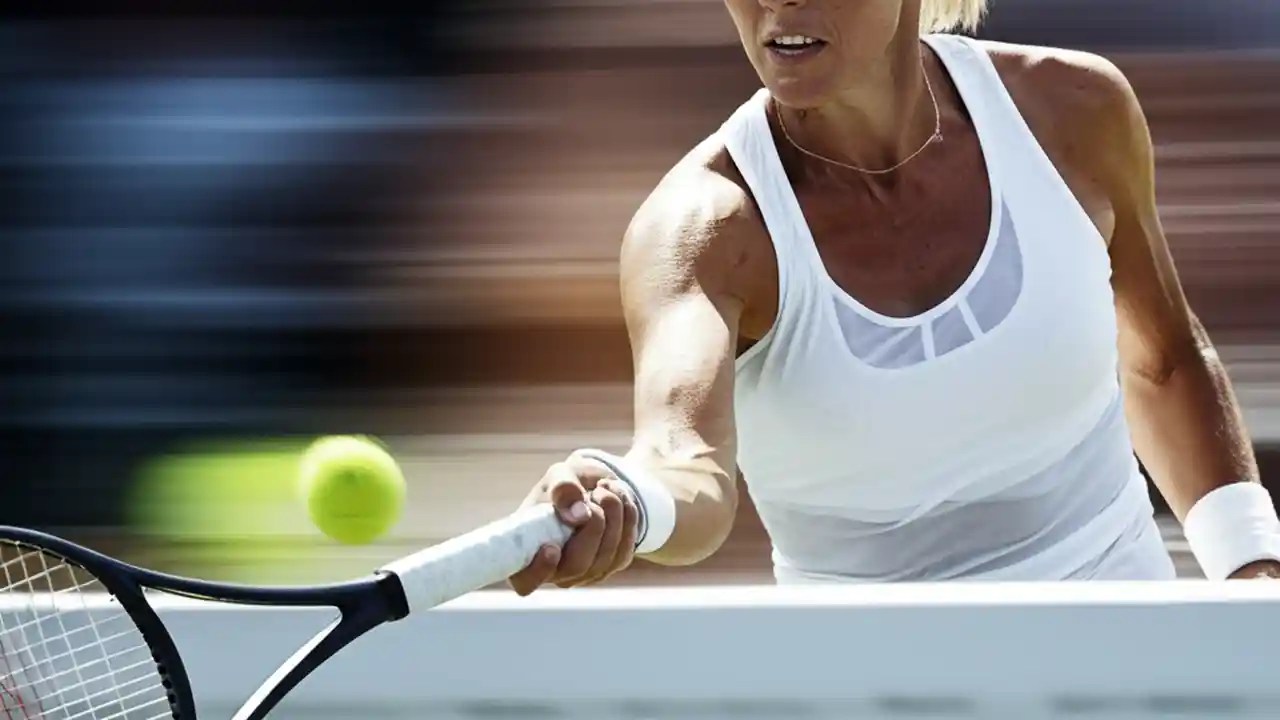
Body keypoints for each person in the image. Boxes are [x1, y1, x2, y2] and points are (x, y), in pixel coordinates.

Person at [508, 0, 1280, 593]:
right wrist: (630, 498)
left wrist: (1252, 572)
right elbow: (688, 464)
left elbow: (1165, 361)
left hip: (1133, 665)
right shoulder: (702, 228)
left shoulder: (1076, 107)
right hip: (870, 687)